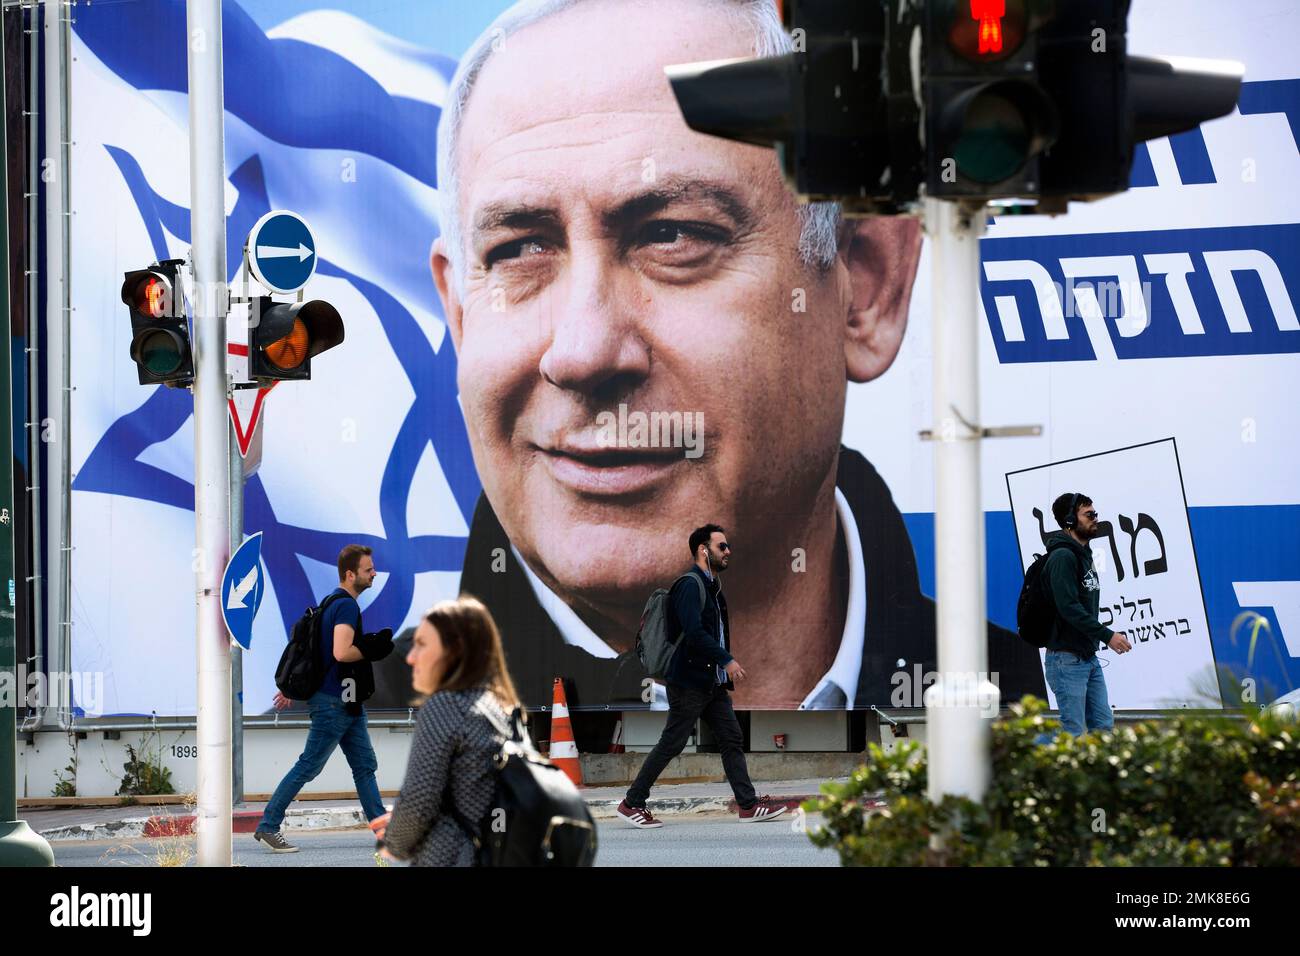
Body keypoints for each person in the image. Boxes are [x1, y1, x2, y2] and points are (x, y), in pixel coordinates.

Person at [432, 0, 1046, 716]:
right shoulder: (347, 745)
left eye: (673, 235)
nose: (584, 349)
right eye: (521, 250)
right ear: (461, 315)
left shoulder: (1039, 740)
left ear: (867, 285)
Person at [617, 526, 787, 827]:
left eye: (728, 546)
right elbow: (694, 633)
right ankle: (632, 802)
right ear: (703, 550)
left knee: (731, 738)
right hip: (688, 682)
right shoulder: (689, 585)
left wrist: (721, 669)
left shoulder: (712, 587)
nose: (728, 552)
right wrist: (727, 659)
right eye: (722, 546)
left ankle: (747, 806)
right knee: (673, 742)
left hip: (711, 682)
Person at [254, 545, 393, 852]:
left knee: (364, 765)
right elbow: (340, 652)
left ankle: (384, 832)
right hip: (334, 703)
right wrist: (371, 649)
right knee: (309, 766)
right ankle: (268, 825)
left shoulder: (329, 602)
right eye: (369, 570)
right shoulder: (345, 607)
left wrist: (292, 690)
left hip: (346, 702)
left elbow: (316, 655)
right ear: (350, 574)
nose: (374, 574)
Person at [370, 596, 520, 866]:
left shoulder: (446, 705)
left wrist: (394, 843)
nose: (411, 657)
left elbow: (420, 800)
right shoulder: (497, 707)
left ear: (454, 651)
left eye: (422, 645)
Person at [1042, 493, 1133, 737]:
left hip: (1087, 656)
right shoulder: (1063, 557)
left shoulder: (1083, 554)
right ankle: (1031, 763)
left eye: (1096, 514)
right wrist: (1107, 635)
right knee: (1072, 732)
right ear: (1070, 520)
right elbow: (1069, 607)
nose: (1095, 519)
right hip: (1066, 660)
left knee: (1103, 727)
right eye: (1089, 515)